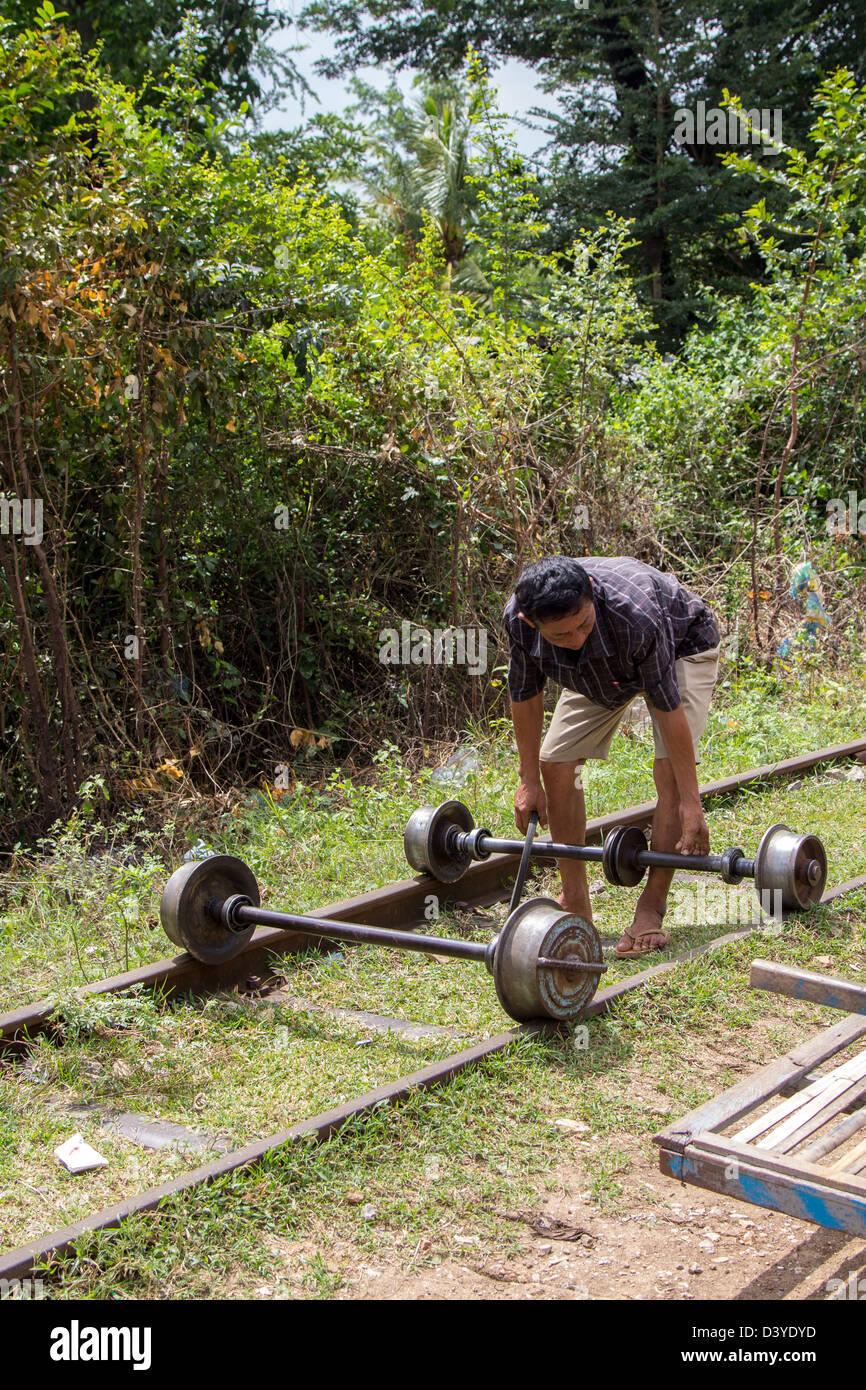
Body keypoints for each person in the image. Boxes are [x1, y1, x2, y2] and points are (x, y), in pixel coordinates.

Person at [504, 555, 720, 957]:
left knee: (669, 773)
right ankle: (576, 903)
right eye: (561, 635)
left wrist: (693, 804)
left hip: (681, 645)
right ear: (532, 623)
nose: (576, 637)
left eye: (583, 624)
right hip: (601, 673)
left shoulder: (633, 614)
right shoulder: (519, 621)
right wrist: (529, 779)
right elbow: (525, 695)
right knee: (557, 763)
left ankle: (651, 909)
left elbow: (668, 708)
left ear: (591, 590)